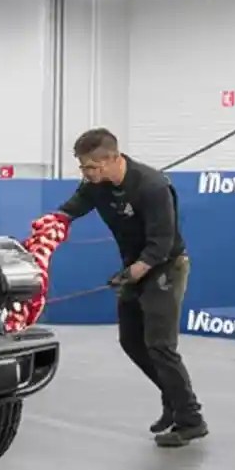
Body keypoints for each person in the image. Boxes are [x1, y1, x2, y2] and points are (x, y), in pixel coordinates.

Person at [51, 128, 207, 447]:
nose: (85, 174)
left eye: (90, 167)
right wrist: (54, 222)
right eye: (82, 167)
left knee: (160, 346)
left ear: (111, 160)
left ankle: (191, 419)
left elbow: (161, 243)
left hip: (164, 267)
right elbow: (75, 205)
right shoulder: (96, 185)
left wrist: (131, 274)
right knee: (131, 341)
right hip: (134, 267)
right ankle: (173, 400)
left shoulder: (152, 186)